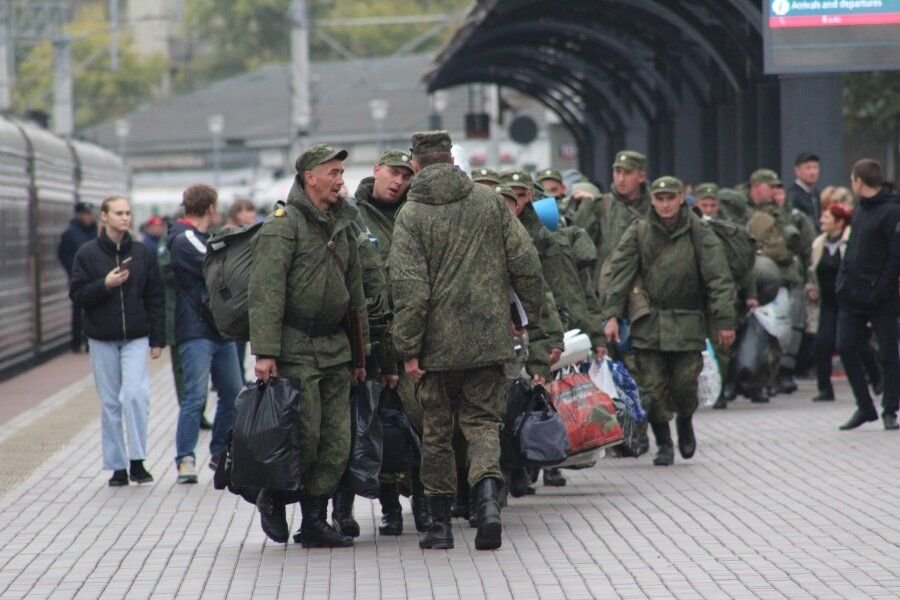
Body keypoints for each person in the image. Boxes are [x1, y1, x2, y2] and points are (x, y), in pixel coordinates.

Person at [390, 131, 545, 551]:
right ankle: (489, 504)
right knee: (482, 425)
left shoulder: (411, 215)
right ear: (453, 162)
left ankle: (440, 526)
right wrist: (535, 319)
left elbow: (409, 289)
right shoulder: (490, 202)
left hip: (436, 351)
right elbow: (526, 264)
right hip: (488, 342)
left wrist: (408, 348)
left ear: (417, 166)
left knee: (438, 434)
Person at [249, 144, 368, 547]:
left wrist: (359, 354)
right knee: (304, 436)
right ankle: (274, 497)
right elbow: (266, 291)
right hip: (294, 346)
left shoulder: (344, 223)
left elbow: (356, 296)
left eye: (341, 172)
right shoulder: (284, 224)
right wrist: (265, 352)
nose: (340, 179)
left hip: (335, 348)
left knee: (336, 439)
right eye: (332, 172)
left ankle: (314, 522)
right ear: (309, 177)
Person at [603, 176, 736, 466]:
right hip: (649, 321)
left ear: (680, 199)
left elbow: (719, 279)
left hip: (687, 320)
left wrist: (725, 321)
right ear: (652, 200)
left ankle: (685, 421)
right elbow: (620, 275)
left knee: (685, 383)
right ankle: (664, 443)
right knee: (651, 388)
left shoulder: (699, 232)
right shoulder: (638, 231)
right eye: (659, 198)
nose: (665, 205)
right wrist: (611, 316)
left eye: (670, 198)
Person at [351, 148, 433, 538]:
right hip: (373, 341)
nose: (398, 182)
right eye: (392, 173)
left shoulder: (414, 215)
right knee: (379, 426)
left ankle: (421, 500)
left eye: (405, 175)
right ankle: (388, 509)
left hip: (413, 338)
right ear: (376, 171)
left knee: (419, 423)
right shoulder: (353, 217)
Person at [69, 196, 164, 486]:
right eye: (119, 213)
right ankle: (117, 466)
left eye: (128, 213)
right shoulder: (87, 254)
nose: (125, 218)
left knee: (135, 395)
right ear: (105, 217)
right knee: (110, 402)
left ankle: (138, 460)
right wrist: (105, 285)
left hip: (136, 336)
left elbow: (156, 296)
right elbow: (78, 295)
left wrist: (158, 337)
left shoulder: (142, 253)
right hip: (101, 338)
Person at [168, 184, 243, 484]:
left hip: (218, 328)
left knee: (232, 392)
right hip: (196, 328)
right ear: (210, 207)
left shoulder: (201, 237)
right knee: (195, 396)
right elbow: (214, 266)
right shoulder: (184, 237)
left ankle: (219, 453)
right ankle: (185, 458)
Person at [836, 159, 900, 431]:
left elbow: (895, 256)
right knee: (846, 345)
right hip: (852, 293)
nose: (851, 184)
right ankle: (865, 406)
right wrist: (843, 279)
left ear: (859, 182)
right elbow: (853, 247)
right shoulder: (861, 208)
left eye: (852, 179)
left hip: (880, 296)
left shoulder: (891, 210)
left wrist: (881, 287)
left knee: (888, 354)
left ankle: (890, 410)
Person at [807, 204, 882, 402]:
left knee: (857, 343)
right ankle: (824, 388)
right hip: (828, 301)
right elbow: (812, 270)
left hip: (849, 300)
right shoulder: (819, 243)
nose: (822, 220)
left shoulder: (851, 242)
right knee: (822, 343)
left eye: (827, 217)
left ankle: (877, 378)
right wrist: (811, 288)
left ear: (840, 222)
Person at [572, 150, 652, 307]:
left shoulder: (656, 208)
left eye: (628, 173)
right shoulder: (602, 205)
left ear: (641, 176)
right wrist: (586, 209)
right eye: (617, 172)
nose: (621, 179)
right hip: (606, 293)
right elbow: (579, 247)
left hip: (646, 295)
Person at [58, 202, 98, 352]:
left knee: (94, 309)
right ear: (79, 215)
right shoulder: (70, 233)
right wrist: (74, 270)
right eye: (85, 214)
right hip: (79, 278)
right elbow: (63, 255)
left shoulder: (97, 231)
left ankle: (90, 342)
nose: (88, 217)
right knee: (78, 309)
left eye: (90, 214)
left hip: (96, 277)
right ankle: (76, 342)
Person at [787, 152, 821, 226]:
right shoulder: (792, 195)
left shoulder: (815, 193)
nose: (812, 172)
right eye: (808, 168)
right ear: (797, 171)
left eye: (815, 167)